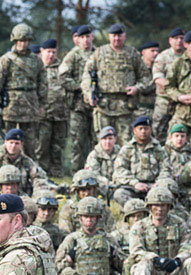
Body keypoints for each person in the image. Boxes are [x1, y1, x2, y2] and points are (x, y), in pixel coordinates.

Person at [81, 23, 150, 145]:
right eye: (114, 36)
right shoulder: (99, 53)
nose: (116, 39)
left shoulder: (133, 54)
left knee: (126, 144)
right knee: (103, 143)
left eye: (119, 36)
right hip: (103, 105)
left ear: (125, 36)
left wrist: (137, 88)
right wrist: (89, 94)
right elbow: (86, 76)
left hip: (125, 108)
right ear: (109, 36)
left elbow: (146, 77)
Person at [0, 24, 46, 160]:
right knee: (8, 138)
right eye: (20, 41)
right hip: (10, 103)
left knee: (30, 141)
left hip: (30, 102)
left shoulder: (36, 60)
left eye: (25, 41)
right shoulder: (6, 59)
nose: (23, 44)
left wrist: (42, 102)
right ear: (14, 40)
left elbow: (42, 81)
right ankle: (6, 164)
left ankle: (32, 168)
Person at [55, 196, 124, 275]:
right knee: (66, 272)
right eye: (86, 216)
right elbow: (56, 267)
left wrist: (114, 256)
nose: (89, 220)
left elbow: (122, 265)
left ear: (98, 218)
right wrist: (68, 260)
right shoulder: (72, 239)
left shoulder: (108, 239)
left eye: (92, 217)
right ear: (80, 218)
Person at [111, 116, 170, 205]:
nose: (143, 131)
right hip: (133, 187)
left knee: (168, 191)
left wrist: (158, 183)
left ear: (150, 130)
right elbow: (120, 169)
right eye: (140, 129)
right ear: (135, 130)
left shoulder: (158, 149)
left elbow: (166, 169)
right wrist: (135, 183)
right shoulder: (127, 149)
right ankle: (136, 209)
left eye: (146, 129)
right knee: (119, 194)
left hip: (154, 187)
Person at [58, 25, 95, 168]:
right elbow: (62, 77)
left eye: (88, 37)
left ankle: (94, 171)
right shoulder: (73, 55)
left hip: (96, 103)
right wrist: (80, 87)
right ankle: (76, 173)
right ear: (77, 39)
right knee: (77, 141)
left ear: (92, 37)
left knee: (96, 139)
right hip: (78, 104)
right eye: (82, 37)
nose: (85, 40)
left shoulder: (98, 54)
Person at [38, 39, 68, 177]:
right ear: (42, 52)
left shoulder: (62, 68)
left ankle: (56, 172)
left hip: (60, 114)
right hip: (42, 114)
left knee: (58, 145)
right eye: (48, 51)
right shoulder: (37, 67)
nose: (51, 55)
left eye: (53, 52)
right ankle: (41, 172)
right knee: (42, 145)